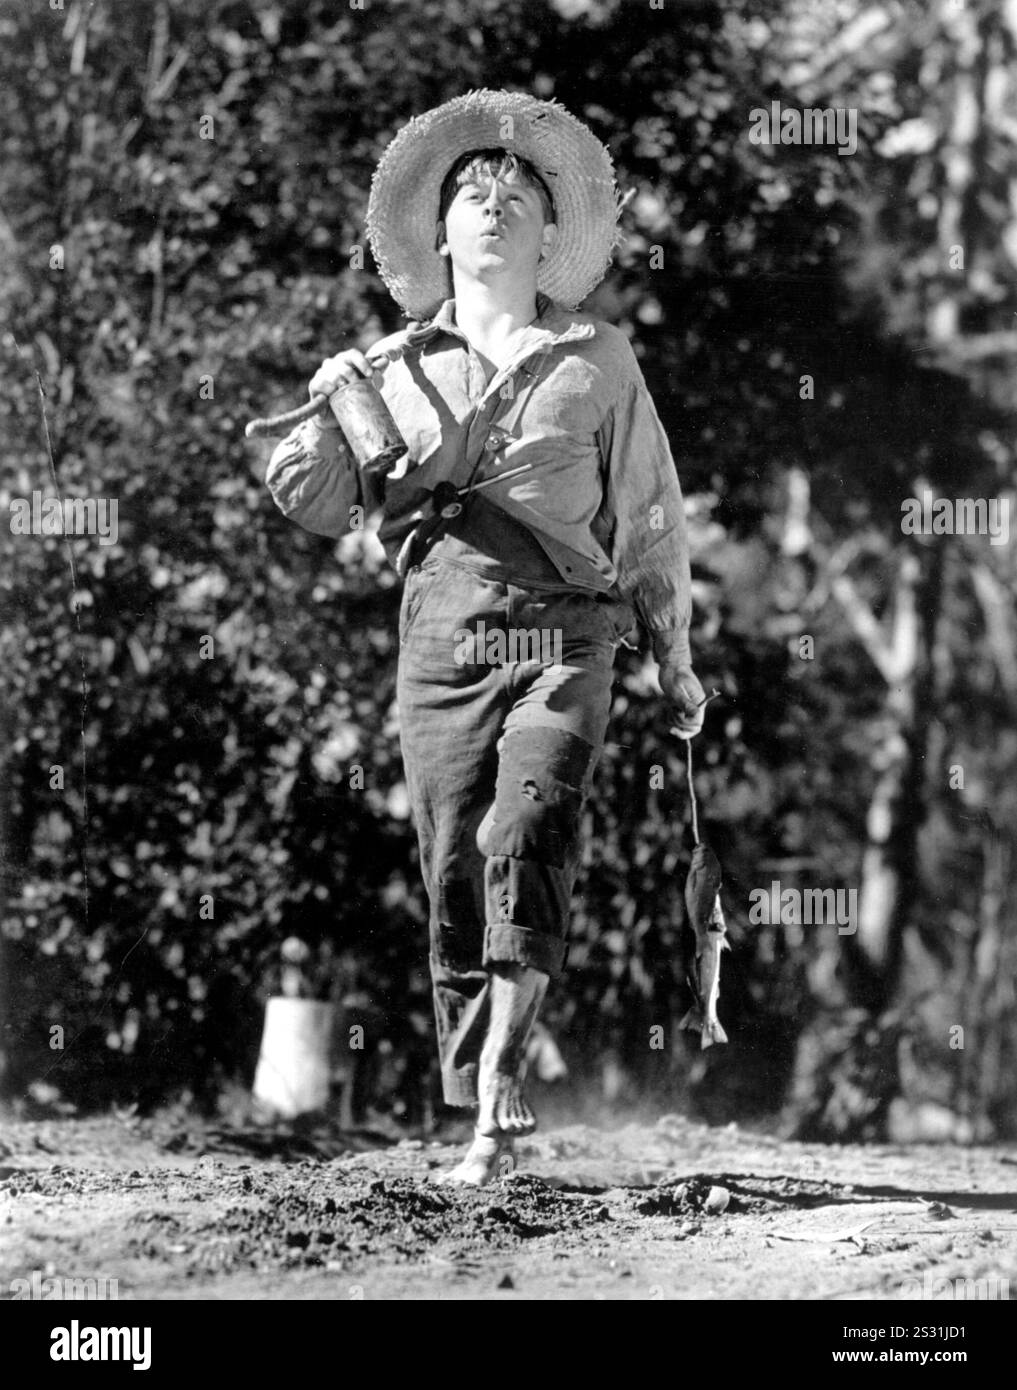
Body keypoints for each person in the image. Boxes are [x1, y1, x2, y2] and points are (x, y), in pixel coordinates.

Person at [265, 90, 705, 1184]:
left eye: (518, 193)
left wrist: (676, 653)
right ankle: (482, 1093)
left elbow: (648, 516)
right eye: (472, 192)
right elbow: (312, 502)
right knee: (457, 862)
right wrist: (325, 412)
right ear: (440, 230)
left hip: (568, 636)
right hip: (444, 642)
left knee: (531, 824)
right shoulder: (392, 368)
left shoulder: (599, 361)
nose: (494, 205)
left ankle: (501, 1085)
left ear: (553, 233)